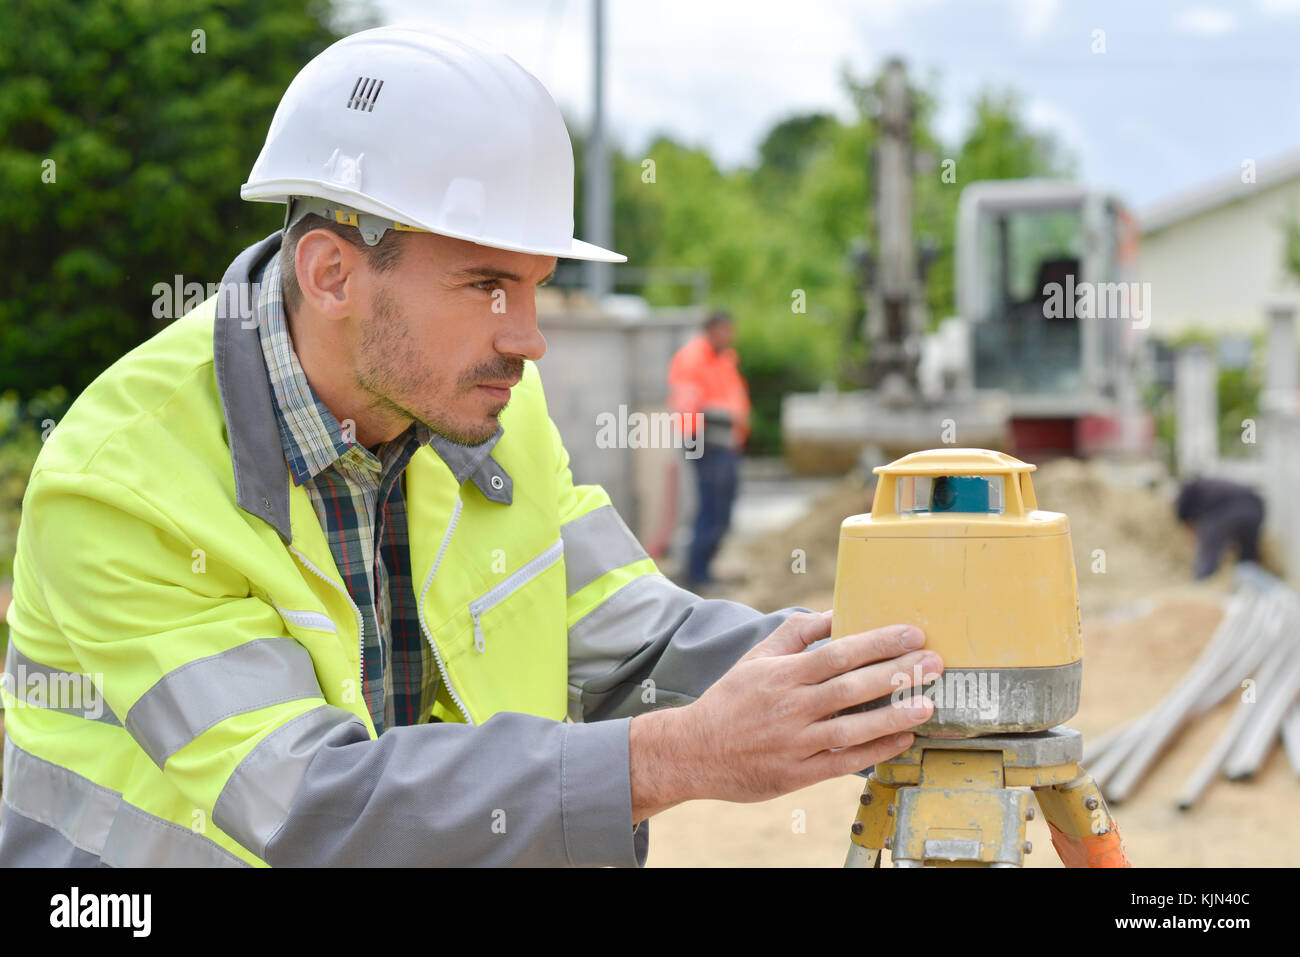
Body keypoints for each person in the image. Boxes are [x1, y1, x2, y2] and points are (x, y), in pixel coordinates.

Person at [0, 26, 938, 867]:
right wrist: (678, 754)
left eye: (536, 285)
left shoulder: (483, 408)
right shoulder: (120, 482)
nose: (529, 337)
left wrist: (884, 668)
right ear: (332, 274)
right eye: (488, 285)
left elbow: (635, 639)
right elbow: (311, 809)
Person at [668, 311, 751, 591]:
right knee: (710, 507)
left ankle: (704, 570)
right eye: (724, 331)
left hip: (725, 444)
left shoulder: (724, 358)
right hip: (705, 443)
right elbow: (689, 406)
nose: (729, 336)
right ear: (711, 330)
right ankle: (697, 574)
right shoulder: (693, 359)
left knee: (722, 510)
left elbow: (734, 400)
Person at [1175, 476, 1266, 580]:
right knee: (1247, 557)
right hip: (1257, 508)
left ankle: (1203, 581)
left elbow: (1188, 522)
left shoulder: (1190, 494)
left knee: (1209, 551)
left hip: (1230, 510)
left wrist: (1199, 540)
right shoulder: (1210, 486)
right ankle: (1248, 581)